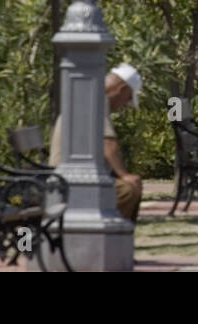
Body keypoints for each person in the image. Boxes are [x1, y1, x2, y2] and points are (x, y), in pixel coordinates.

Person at [51, 63, 143, 221]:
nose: (123, 106)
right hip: (72, 178)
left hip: (74, 173)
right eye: (127, 99)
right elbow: (108, 143)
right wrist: (124, 174)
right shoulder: (96, 98)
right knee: (128, 190)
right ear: (121, 89)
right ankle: (111, 232)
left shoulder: (89, 93)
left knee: (131, 186)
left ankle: (119, 232)